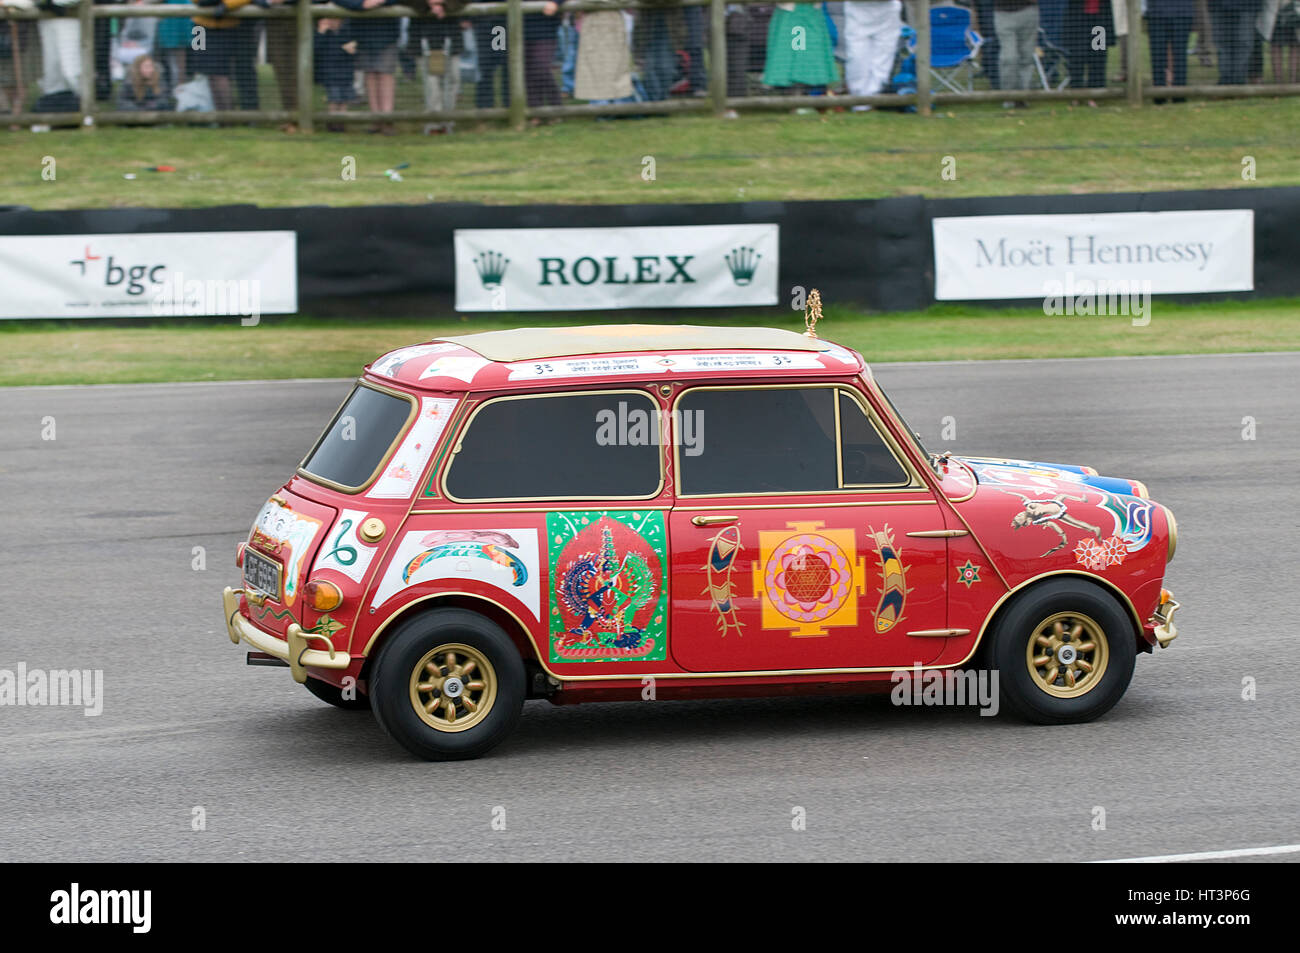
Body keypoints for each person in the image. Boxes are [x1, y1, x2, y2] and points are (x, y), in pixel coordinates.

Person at [335, 0, 401, 132]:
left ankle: (387, 118)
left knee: (385, 73)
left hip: (387, 33)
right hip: (362, 32)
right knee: (369, 74)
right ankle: (375, 118)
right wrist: (360, 4)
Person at [191, 0, 255, 112]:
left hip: (225, 26)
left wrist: (226, 5)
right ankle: (217, 115)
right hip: (199, 28)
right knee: (201, 70)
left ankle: (228, 115)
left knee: (220, 73)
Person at [762, 1, 839, 94]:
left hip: (811, 11)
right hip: (789, 11)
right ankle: (795, 92)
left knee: (808, 51)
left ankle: (805, 92)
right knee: (791, 50)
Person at [843, 0, 901, 108]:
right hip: (857, 11)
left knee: (883, 58)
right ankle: (858, 101)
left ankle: (873, 98)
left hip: (887, 11)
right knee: (857, 57)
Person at [575, 8, 634, 102]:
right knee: (595, 68)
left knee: (615, 67)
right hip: (593, 25)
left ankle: (616, 105)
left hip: (612, 25)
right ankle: (602, 106)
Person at [314, 16, 356, 131]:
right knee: (334, 98)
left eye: (335, 20)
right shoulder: (323, 35)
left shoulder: (347, 32)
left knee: (344, 98)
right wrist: (321, 32)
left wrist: (352, 50)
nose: (332, 22)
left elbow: (355, 50)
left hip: (346, 72)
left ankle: (342, 122)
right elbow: (315, 49)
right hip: (329, 72)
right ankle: (332, 122)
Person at [523, 0, 564, 109]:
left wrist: (556, 2)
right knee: (528, 73)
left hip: (546, 29)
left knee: (540, 67)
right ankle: (536, 110)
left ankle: (556, 107)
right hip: (521, 29)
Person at [994, 0, 1038, 102]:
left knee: (1026, 57)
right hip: (1002, 14)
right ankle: (1009, 97)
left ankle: (1023, 97)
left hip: (1028, 12)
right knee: (1009, 58)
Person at [1148, 0, 1194, 98]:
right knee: (1161, 54)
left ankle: (1172, 93)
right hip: (1161, 12)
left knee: (1176, 54)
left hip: (1171, 12)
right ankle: (1164, 93)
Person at [1210, 0, 1264, 83]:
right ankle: (1225, 81)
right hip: (1220, 6)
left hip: (1247, 6)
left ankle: (1239, 81)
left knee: (1244, 43)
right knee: (1223, 43)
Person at [1065, 0, 1111, 92]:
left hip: (1099, 19)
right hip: (1078, 19)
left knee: (1098, 55)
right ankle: (1076, 91)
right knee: (1077, 56)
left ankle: (1096, 92)